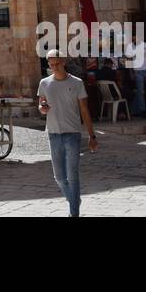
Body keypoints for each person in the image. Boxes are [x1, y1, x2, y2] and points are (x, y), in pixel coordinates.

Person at [37, 49, 98, 217]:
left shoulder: (77, 83)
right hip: (53, 134)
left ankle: (74, 213)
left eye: (57, 63)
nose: (55, 67)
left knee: (73, 176)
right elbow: (41, 105)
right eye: (51, 64)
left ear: (63, 61)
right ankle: (74, 199)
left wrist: (92, 136)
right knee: (59, 177)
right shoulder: (44, 83)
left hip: (72, 134)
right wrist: (42, 108)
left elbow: (84, 110)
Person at [125, 36, 146, 117]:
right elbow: (128, 61)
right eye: (133, 37)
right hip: (137, 71)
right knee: (140, 92)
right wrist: (131, 73)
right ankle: (143, 111)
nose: (134, 38)